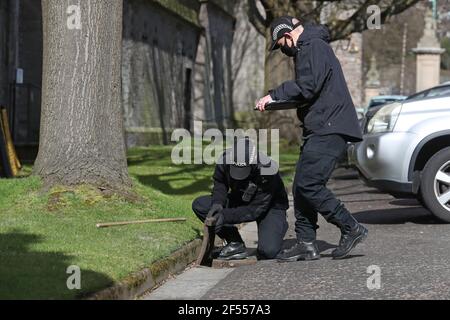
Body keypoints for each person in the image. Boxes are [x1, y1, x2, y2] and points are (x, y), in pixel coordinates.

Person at [255, 16, 368, 261]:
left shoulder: (312, 47)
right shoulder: (311, 47)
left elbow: (308, 86)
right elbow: (310, 91)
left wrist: (273, 94)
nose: (283, 50)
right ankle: (306, 242)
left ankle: (351, 227)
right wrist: (278, 101)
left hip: (330, 128)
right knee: (301, 186)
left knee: (309, 185)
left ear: (286, 36)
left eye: (281, 45)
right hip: (321, 127)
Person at [192, 137, 289, 260]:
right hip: (241, 197)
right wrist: (217, 204)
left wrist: (224, 216)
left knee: (268, 252)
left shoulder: (268, 170)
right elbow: (220, 183)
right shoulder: (224, 160)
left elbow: (255, 210)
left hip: (269, 206)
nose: (239, 174)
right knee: (201, 205)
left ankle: (278, 225)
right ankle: (234, 242)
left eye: (244, 170)